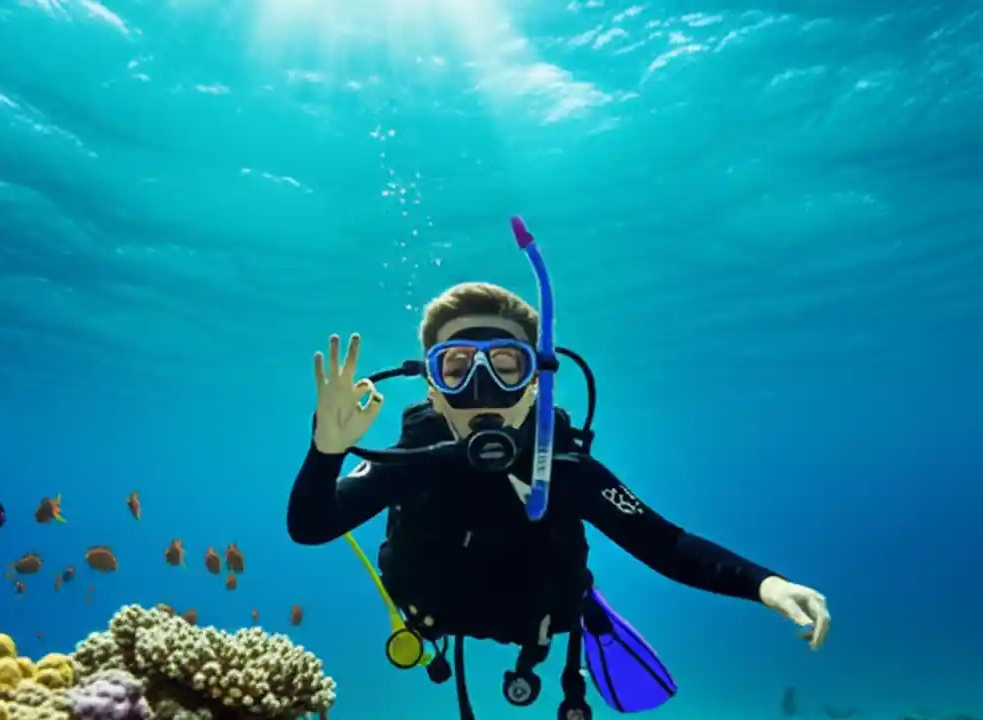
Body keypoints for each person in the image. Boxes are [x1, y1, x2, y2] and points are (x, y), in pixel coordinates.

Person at [286, 279, 831, 720]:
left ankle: (589, 608)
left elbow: (665, 543)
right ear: (431, 387)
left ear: (535, 383)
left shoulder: (565, 470)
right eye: (455, 369)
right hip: (432, 618)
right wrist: (325, 450)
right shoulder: (411, 461)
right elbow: (311, 526)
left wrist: (766, 583)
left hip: (540, 622)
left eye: (505, 366)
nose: (481, 389)